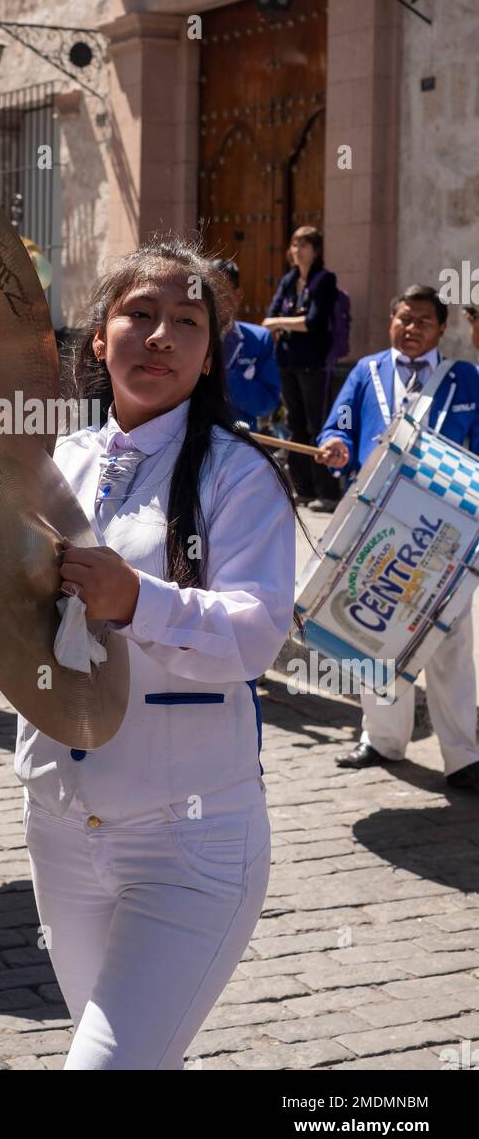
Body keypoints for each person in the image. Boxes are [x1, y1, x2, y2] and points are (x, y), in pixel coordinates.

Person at [0, 235, 296, 1070]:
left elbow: (257, 634)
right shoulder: (54, 460)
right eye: (139, 315)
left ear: (209, 352)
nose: (159, 337)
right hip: (59, 829)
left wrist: (138, 600)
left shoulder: (237, 474)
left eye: (185, 322)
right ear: (96, 338)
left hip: (190, 845)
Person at [317, 284, 479, 792]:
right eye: (403, 319)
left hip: (446, 529)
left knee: (450, 640)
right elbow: (337, 426)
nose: (411, 329)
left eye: (423, 322)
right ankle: (383, 739)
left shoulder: (467, 379)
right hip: (374, 526)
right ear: (392, 319)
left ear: (442, 328)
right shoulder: (366, 372)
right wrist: (334, 446)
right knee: (375, 631)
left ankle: (464, 756)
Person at [264, 227, 341, 511]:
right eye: (294, 243)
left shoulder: (325, 280)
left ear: (317, 250)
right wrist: (283, 321)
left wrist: (280, 323)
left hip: (314, 365)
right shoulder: (289, 280)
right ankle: (303, 489)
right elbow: (269, 316)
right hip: (288, 363)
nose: (298, 249)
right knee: (295, 427)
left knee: (317, 427)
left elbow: (314, 322)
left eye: (305, 244)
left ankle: (328, 492)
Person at [211, 258, 280, 431]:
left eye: (223, 293)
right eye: (211, 293)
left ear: (238, 296)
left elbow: (266, 404)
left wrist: (226, 375)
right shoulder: (185, 337)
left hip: (242, 443)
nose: (216, 301)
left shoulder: (259, 339)